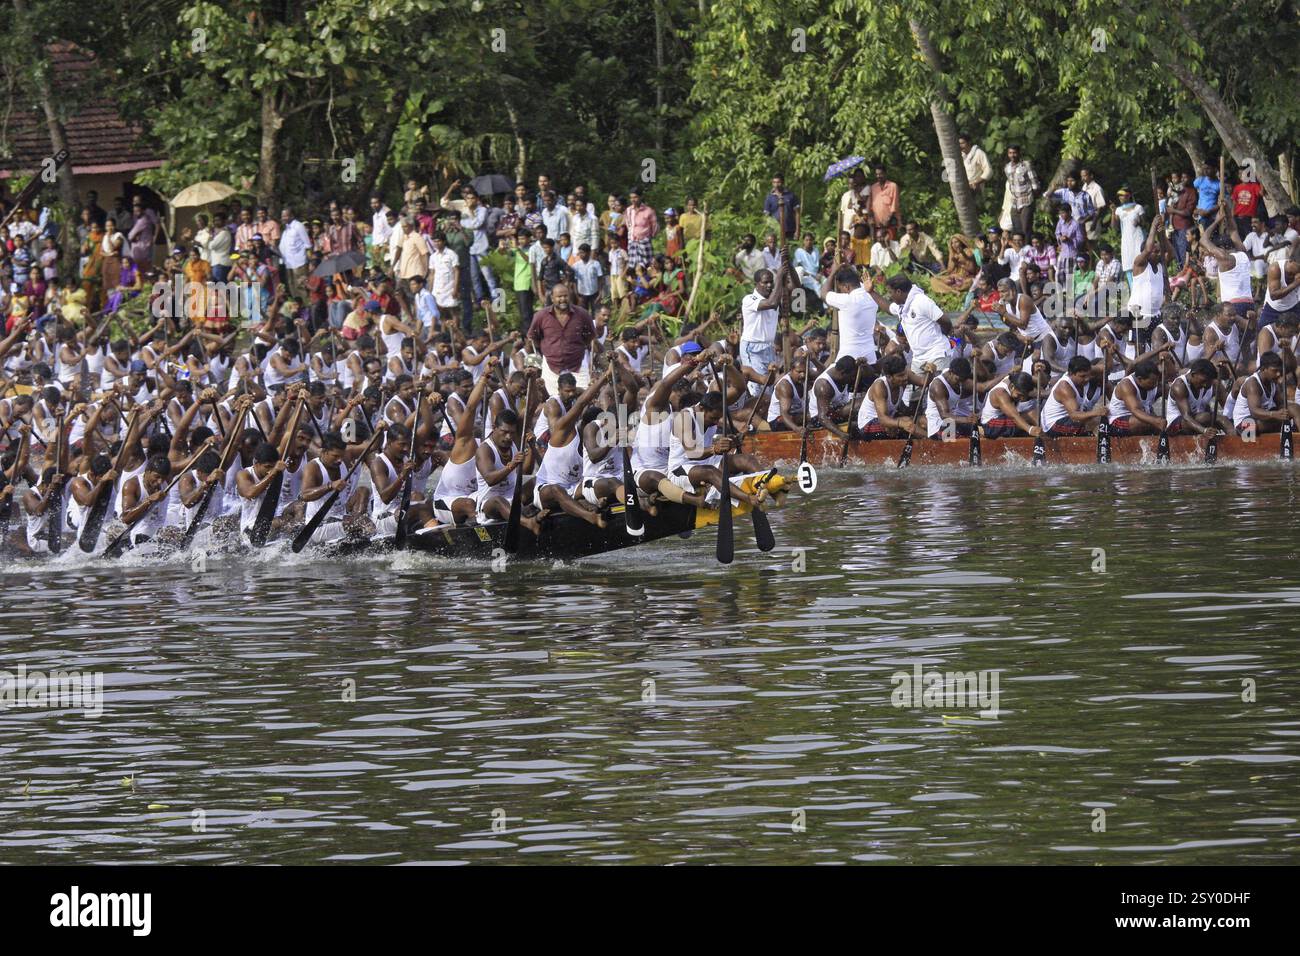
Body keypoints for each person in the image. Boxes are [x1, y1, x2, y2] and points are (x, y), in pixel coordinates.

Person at [528, 284, 597, 394]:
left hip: (577, 364)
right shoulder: (541, 316)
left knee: (585, 397)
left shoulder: (582, 314)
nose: (563, 299)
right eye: (559, 297)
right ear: (552, 298)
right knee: (551, 399)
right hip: (551, 366)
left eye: (565, 296)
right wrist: (543, 355)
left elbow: (590, 337)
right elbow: (533, 339)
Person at [739, 267, 786, 395]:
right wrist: (780, 276)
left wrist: (787, 265)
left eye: (771, 282)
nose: (769, 285)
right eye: (765, 282)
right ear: (756, 284)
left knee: (769, 388)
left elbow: (796, 286)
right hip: (752, 348)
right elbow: (771, 303)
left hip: (769, 347)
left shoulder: (775, 298)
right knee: (757, 389)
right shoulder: (749, 299)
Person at [1003, 146, 1039, 237]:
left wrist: (1032, 198)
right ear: (1008, 154)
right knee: (1016, 229)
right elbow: (1011, 185)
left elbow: (1034, 183)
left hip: (1027, 200)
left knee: (1026, 228)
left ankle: (1028, 248)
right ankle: (1018, 250)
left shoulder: (1026, 165)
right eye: (1010, 153)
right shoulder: (1007, 167)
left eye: (1014, 153)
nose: (1012, 155)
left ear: (1019, 153)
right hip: (1015, 201)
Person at [763, 174, 800, 240]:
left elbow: (797, 213)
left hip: (790, 229)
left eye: (778, 182)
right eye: (774, 182)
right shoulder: (769, 197)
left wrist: (797, 230)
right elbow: (766, 216)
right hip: (775, 231)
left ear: (783, 183)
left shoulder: (791, 195)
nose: (776, 185)